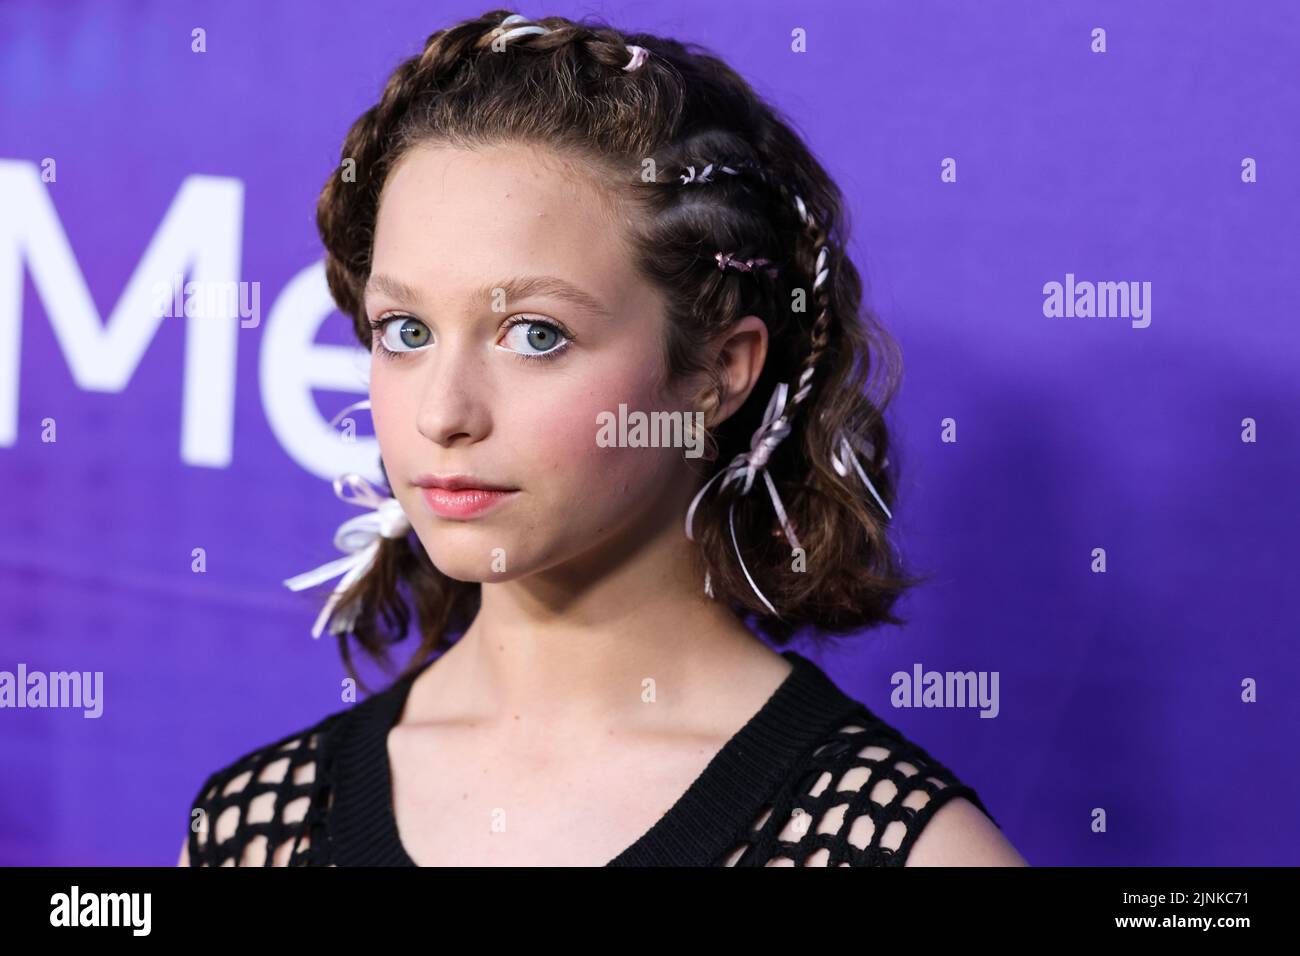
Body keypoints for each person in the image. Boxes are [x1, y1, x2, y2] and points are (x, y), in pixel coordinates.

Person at [179, 9, 1026, 867]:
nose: (444, 414)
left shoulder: (900, 851)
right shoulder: (253, 833)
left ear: (719, 371)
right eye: (404, 329)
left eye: (536, 335)